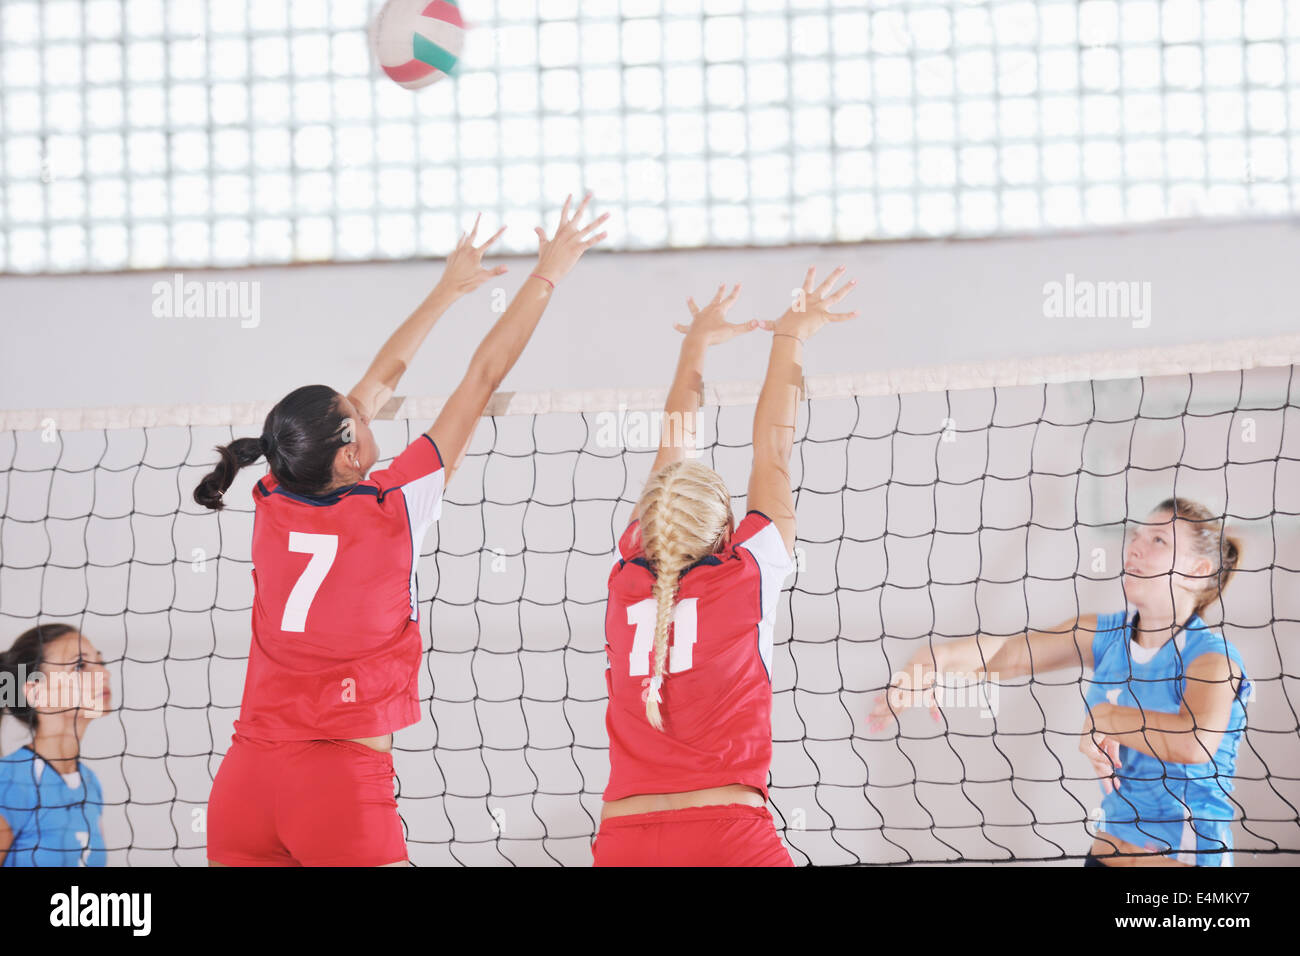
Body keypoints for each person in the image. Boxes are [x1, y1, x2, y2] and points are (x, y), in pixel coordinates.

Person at [196, 196, 607, 866]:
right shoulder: (394, 505)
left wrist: (446, 290)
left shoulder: (273, 494)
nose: (364, 404)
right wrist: (549, 273)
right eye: (354, 414)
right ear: (352, 452)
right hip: (334, 790)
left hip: (243, 786)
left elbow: (378, 385)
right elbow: (482, 376)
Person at [595, 268, 858, 866]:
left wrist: (695, 343)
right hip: (727, 838)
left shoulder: (626, 576)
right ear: (725, 530)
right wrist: (789, 333)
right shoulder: (749, 571)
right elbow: (773, 448)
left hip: (624, 842)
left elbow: (673, 452)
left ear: (652, 522)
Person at [868, 497, 1251, 866]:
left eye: (1158, 540)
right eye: (1136, 535)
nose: (1135, 546)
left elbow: (1195, 742)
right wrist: (934, 660)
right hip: (1103, 857)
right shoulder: (1106, 635)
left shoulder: (1212, 659)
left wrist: (1107, 716)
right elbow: (1009, 655)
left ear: (1198, 570)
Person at [0, 624, 112, 866]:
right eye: (80, 666)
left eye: (100, 663)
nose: (104, 674)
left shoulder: (89, 782)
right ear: (36, 692)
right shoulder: (8, 781)